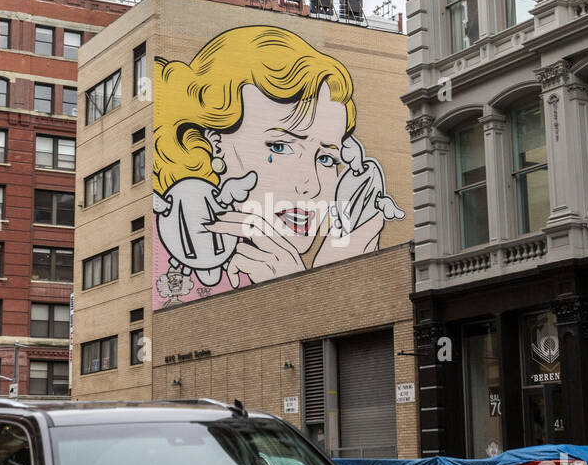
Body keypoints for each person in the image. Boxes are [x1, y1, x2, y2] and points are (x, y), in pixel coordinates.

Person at [152, 25, 404, 305]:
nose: (311, 186)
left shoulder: (335, 249)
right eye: (280, 147)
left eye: (325, 159)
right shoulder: (172, 243)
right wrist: (306, 294)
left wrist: (324, 285)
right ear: (215, 144)